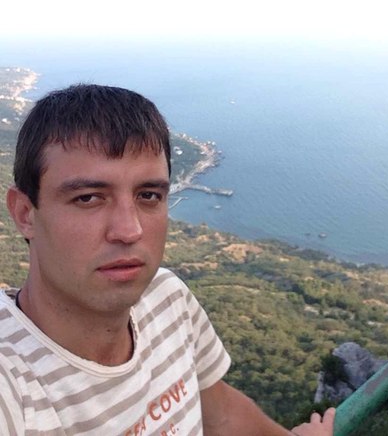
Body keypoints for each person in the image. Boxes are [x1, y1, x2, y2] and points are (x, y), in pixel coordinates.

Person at [0, 84, 335, 435]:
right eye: (88, 198)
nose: (129, 230)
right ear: (25, 213)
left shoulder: (167, 296)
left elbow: (220, 414)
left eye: (148, 195)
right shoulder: (13, 386)